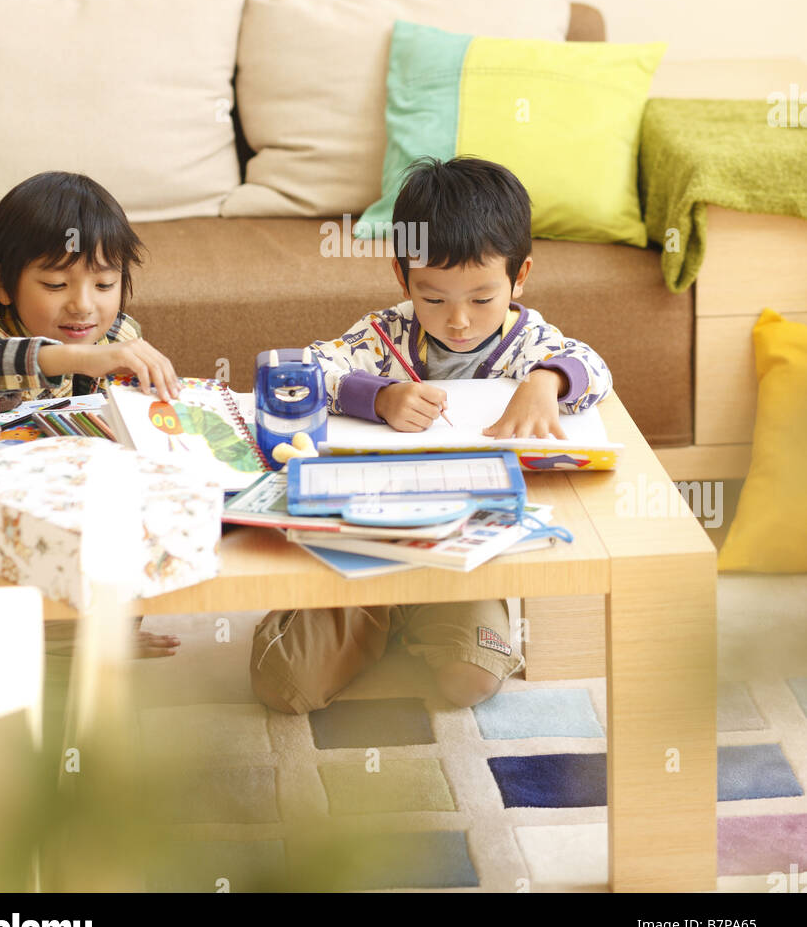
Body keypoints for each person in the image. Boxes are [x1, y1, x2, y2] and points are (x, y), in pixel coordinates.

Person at [250, 155, 612, 713]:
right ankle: (370, 617)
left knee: (470, 682)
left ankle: (422, 618)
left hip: (464, 554)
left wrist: (545, 381)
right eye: (434, 298)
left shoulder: (530, 342)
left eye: (482, 298)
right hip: (365, 546)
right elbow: (312, 369)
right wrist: (378, 396)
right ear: (403, 277)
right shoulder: (384, 334)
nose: (459, 320)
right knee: (283, 684)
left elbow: (593, 367)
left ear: (521, 276)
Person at [0, 170, 182, 657]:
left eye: (105, 283)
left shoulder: (120, 335)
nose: (83, 305)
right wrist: (70, 358)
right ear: (3, 285)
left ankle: (98, 639)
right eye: (55, 284)